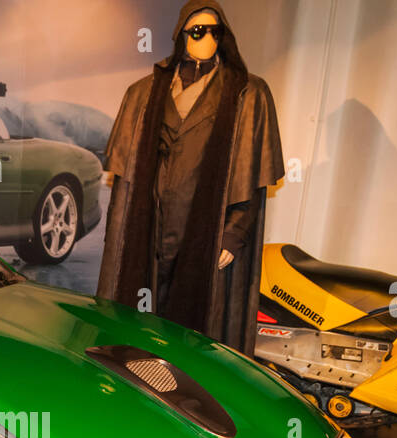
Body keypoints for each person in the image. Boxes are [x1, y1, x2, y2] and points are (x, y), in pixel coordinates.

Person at [97, 1, 284, 354]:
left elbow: (252, 176)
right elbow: (125, 182)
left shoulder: (246, 94)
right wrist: (120, 234)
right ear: (182, 35)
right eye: (198, 30)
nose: (207, 38)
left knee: (198, 329)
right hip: (149, 225)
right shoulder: (146, 93)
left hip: (204, 230)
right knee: (143, 316)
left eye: (215, 31)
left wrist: (234, 233)